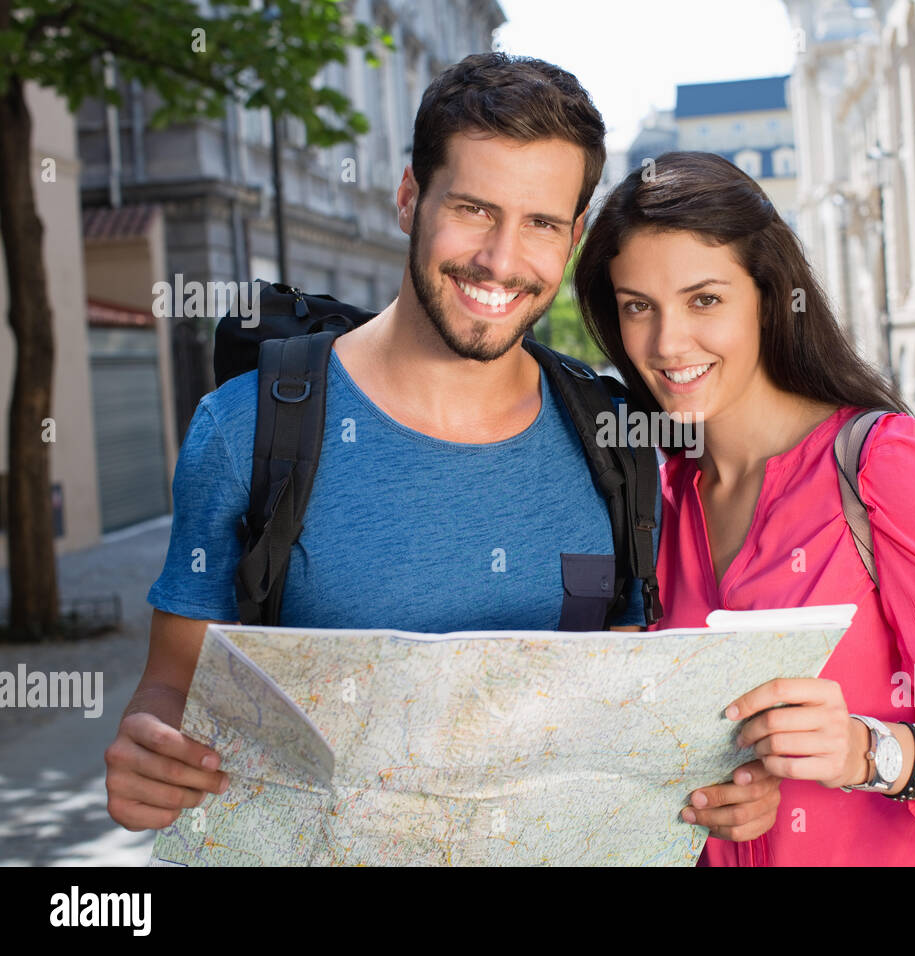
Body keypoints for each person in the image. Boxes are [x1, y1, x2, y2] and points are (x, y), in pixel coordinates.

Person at [104, 53, 653, 833]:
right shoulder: (246, 429)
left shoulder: (617, 439)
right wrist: (149, 756)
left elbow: (631, 707)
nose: (500, 260)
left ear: (574, 240)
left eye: (540, 223)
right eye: (473, 209)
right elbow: (174, 688)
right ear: (409, 198)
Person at [574, 151, 915, 866]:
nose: (667, 342)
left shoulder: (888, 466)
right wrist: (720, 794)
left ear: (770, 298)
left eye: (705, 299)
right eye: (637, 307)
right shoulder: (656, 496)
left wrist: (868, 751)